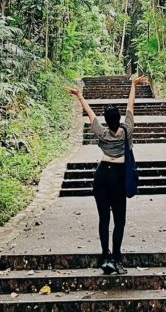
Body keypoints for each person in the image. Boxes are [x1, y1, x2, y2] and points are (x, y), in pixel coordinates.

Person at [67, 73, 147, 274]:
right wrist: (133, 85)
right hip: (119, 177)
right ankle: (117, 258)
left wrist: (79, 95)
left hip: (102, 177)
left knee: (104, 219)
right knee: (119, 219)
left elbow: (90, 113)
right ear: (119, 119)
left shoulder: (101, 133)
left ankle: (105, 256)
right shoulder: (127, 130)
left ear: (106, 121)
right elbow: (131, 106)